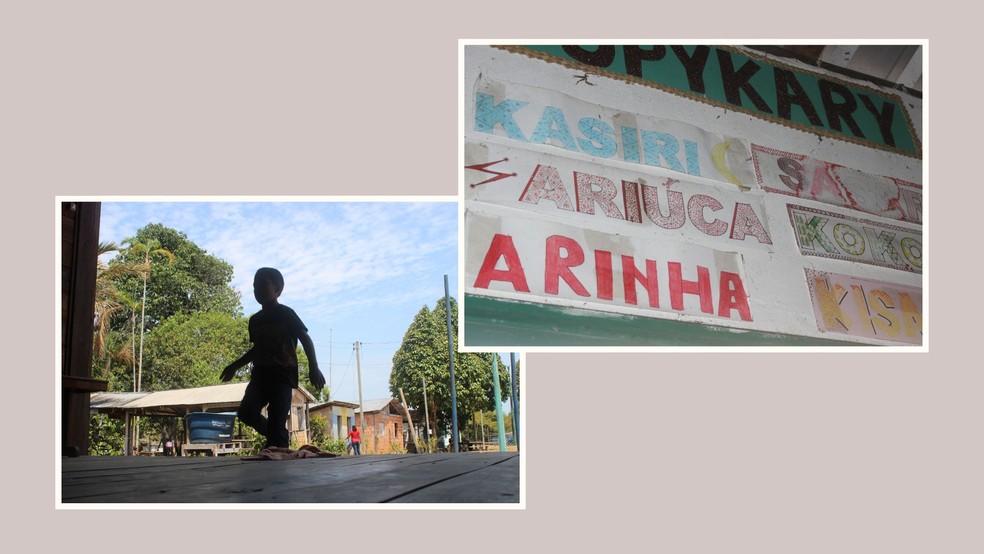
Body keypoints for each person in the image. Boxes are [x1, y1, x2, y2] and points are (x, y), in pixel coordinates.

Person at [221, 267, 325, 450]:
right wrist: (234, 366)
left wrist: (313, 367)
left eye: (263, 285)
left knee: (277, 418)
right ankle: (278, 436)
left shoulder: (286, 314)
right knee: (246, 412)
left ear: (278, 289)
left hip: (283, 377)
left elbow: (305, 338)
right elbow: (257, 349)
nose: (257, 290)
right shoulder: (255, 321)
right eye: (255, 286)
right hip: (260, 375)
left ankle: (278, 445)